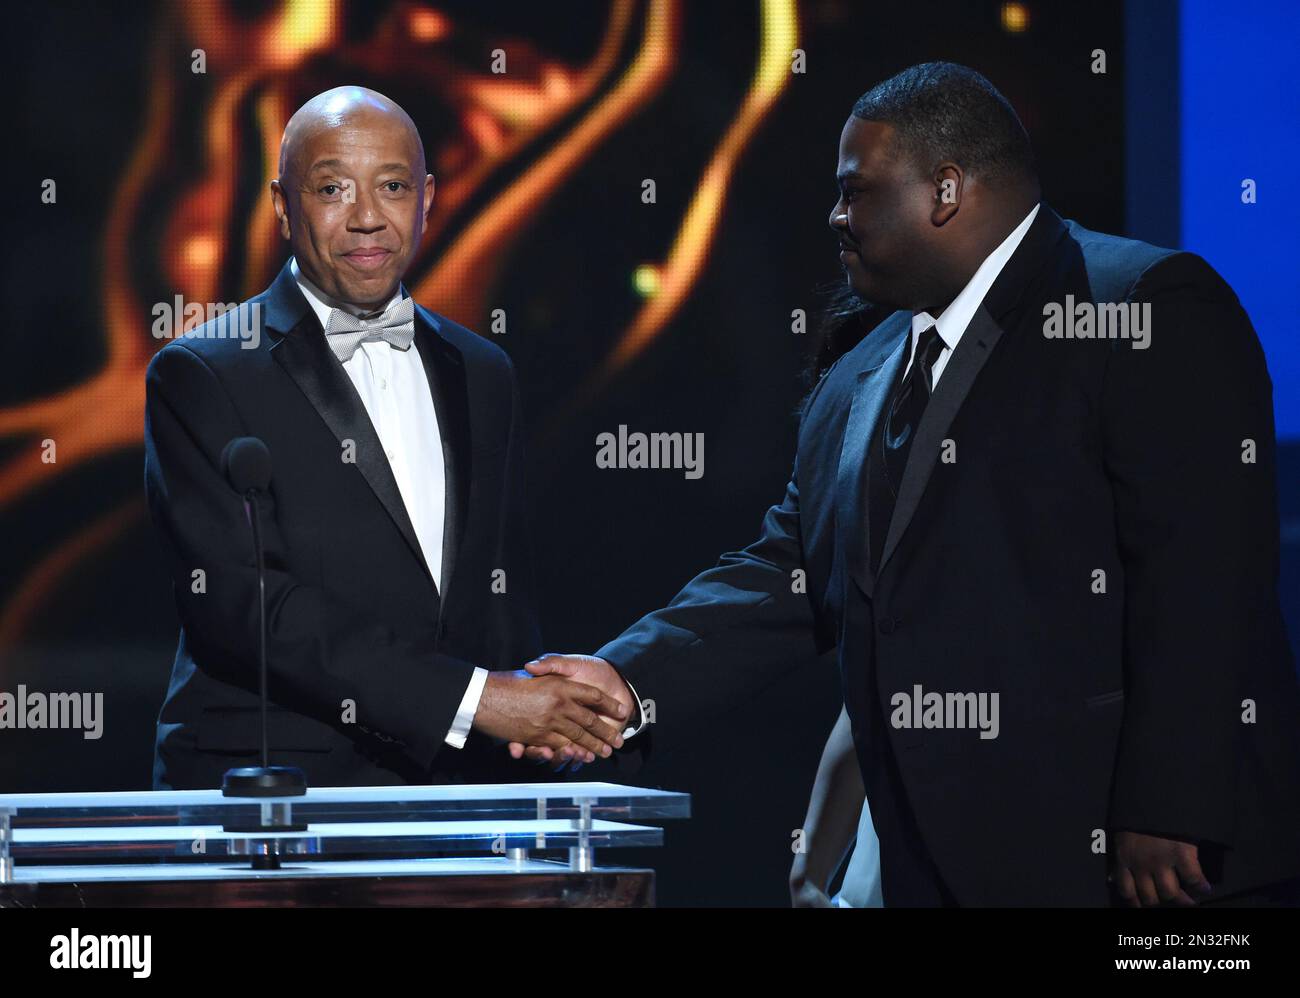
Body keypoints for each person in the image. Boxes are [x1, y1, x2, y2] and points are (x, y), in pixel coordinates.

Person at [514, 63, 1300, 906]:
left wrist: (1169, 804)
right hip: (932, 856)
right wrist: (631, 682)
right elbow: (789, 572)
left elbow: (1203, 578)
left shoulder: (1138, 306)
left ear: (946, 190)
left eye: (854, 192)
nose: (835, 217)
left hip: (1127, 857)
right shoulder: (864, 367)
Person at [146, 86, 628, 790]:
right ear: (283, 205)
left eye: (393, 186)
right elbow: (242, 605)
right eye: (332, 188)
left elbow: (495, 598)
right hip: (269, 795)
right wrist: (478, 702)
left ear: (427, 198)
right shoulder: (202, 372)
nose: (367, 218)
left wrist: (541, 725)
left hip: (453, 795)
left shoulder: (484, 370)